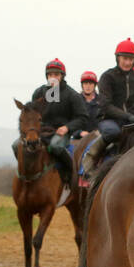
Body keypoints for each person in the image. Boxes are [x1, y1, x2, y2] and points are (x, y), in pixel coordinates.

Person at [82, 38, 134, 174]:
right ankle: (91, 158)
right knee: (113, 132)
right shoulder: (107, 77)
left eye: (131, 59)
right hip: (109, 119)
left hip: (132, 119)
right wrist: (128, 116)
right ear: (118, 58)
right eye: (125, 58)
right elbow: (105, 106)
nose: (128, 62)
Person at [29, 58, 90, 187]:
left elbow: (83, 117)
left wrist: (67, 128)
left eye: (56, 74)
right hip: (41, 132)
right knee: (17, 145)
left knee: (55, 146)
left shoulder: (72, 95)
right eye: (50, 75)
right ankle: (27, 178)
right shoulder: (39, 93)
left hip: (61, 134)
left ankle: (70, 174)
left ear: (62, 76)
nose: (53, 77)